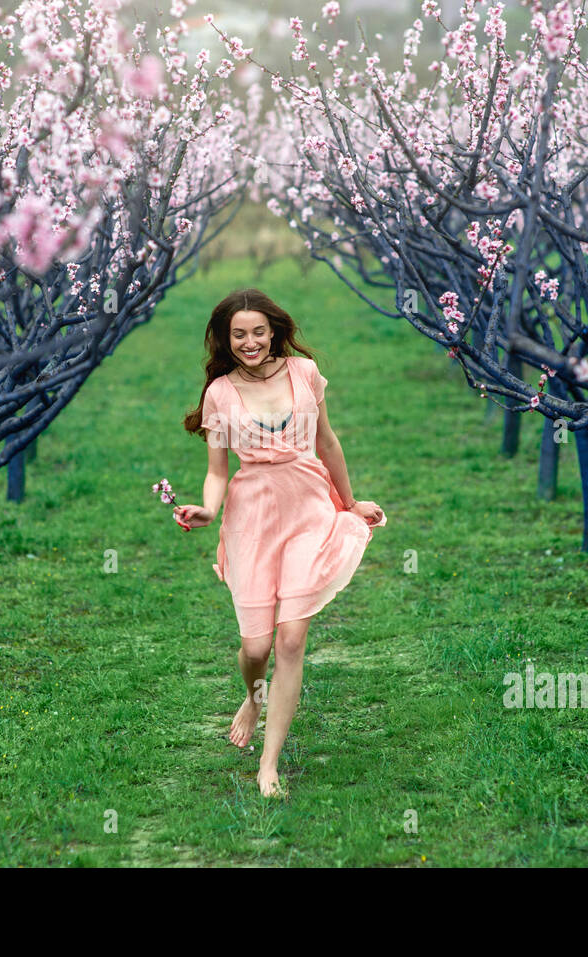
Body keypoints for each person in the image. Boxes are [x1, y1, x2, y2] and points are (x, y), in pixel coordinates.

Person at [176, 288, 387, 798]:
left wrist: (348, 501)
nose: (250, 342)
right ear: (226, 341)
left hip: (309, 503)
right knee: (257, 646)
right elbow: (216, 471)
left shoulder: (303, 374)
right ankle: (252, 695)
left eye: (258, 332)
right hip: (252, 515)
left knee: (291, 638)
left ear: (273, 330)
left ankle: (268, 765)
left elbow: (327, 441)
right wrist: (208, 509)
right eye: (239, 334)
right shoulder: (221, 394)